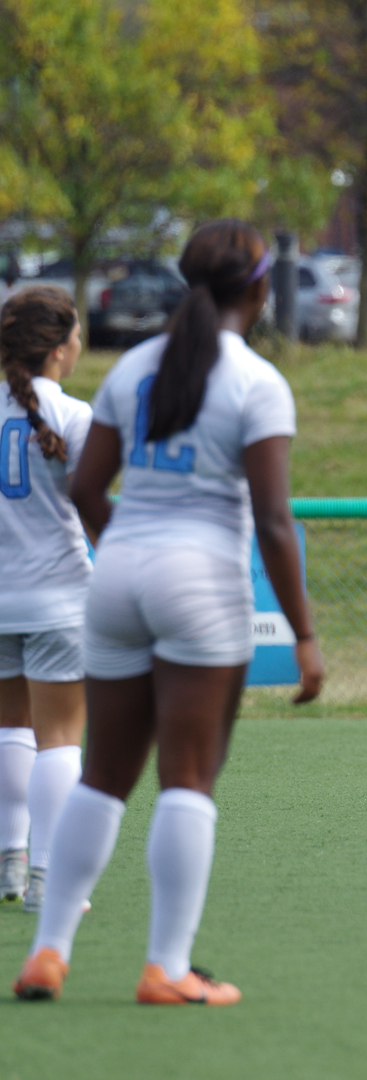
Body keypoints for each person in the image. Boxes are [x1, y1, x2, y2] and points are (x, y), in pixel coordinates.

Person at [13, 219, 325, 1006]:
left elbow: (88, 492)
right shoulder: (258, 380)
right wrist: (307, 634)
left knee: (101, 777)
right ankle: (166, 968)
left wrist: (129, 551)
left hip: (116, 580)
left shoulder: (133, 369)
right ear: (258, 291)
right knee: (187, 779)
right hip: (201, 579)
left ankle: (47, 952)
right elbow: (276, 521)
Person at [0, 287, 92, 915]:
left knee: (10, 728)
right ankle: (48, 881)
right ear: (60, 349)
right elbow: (100, 509)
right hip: (60, 597)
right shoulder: (75, 417)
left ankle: (9, 859)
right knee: (59, 737)